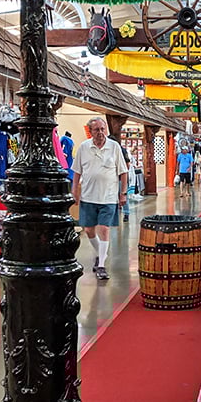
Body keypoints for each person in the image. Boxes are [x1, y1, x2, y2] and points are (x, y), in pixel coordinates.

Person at [71, 117, 128, 281]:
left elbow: (123, 172)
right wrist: (74, 190)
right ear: (90, 131)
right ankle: (100, 253)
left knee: (104, 229)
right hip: (88, 196)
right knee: (89, 230)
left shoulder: (114, 147)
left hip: (108, 197)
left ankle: (101, 265)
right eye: (97, 130)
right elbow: (77, 172)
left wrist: (123, 193)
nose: (101, 132)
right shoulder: (84, 147)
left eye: (103, 129)